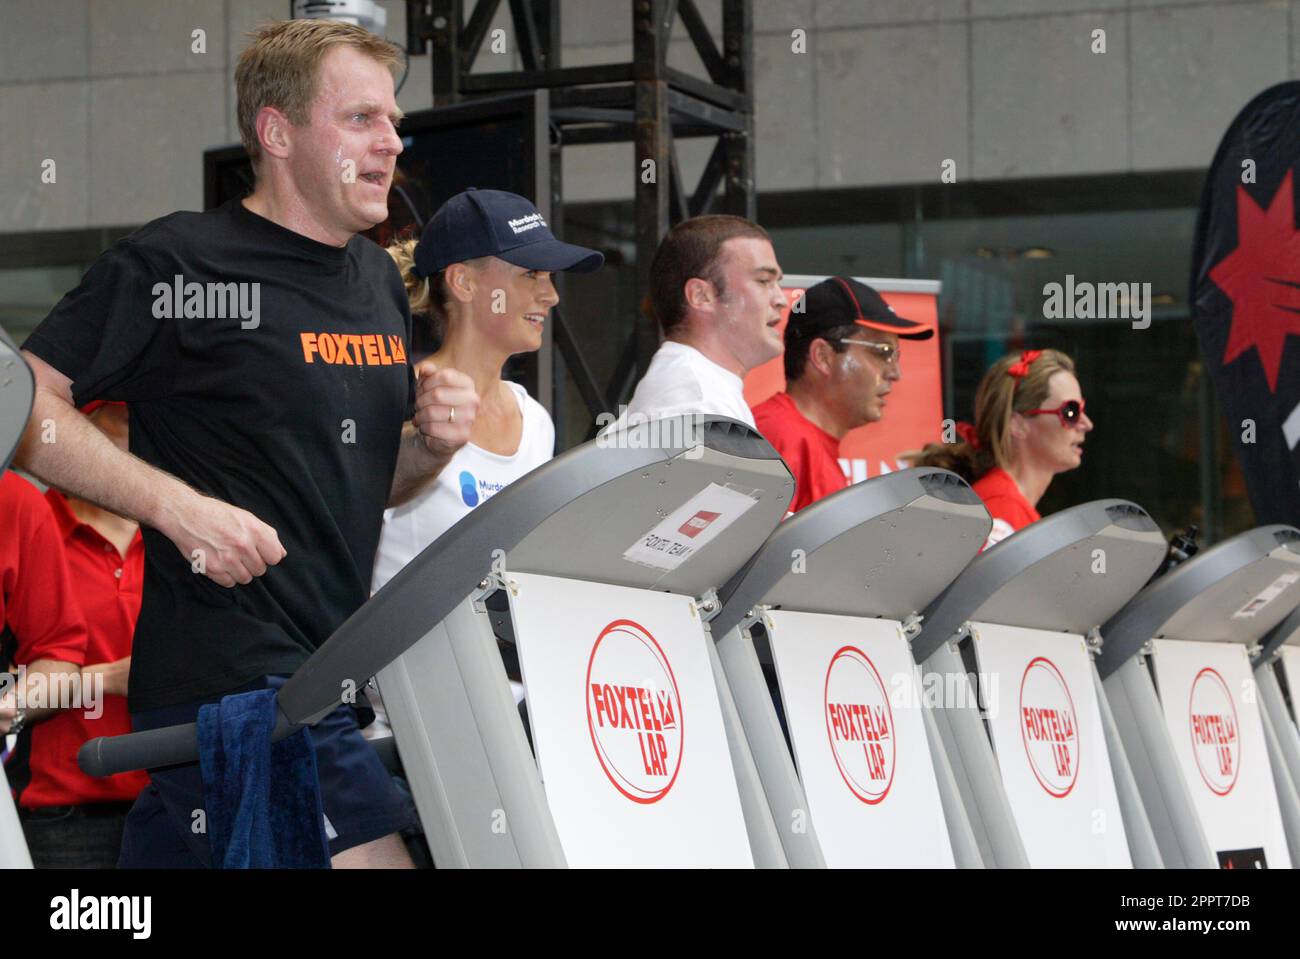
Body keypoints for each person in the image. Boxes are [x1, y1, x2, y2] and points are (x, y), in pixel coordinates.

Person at [14, 19, 479, 869]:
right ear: (277, 131)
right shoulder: (181, 265)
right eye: (363, 119)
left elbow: (351, 481)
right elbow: (19, 401)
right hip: (235, 686)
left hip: (331, 674)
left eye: (394, 121)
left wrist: (429, 449)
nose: (393, 141)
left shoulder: (377, 279)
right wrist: (177, 508)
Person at [371, 189, 603, 592]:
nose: (551, 295)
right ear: (463, 281)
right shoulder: (396, 397)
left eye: (549, 277)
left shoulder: (534, 419)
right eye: (530, 273)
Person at [9, 401, 146, 868]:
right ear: (78, 425)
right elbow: (11, 682)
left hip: (174, 800)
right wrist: (107, 679)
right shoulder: (29, 521)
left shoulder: (186, 540)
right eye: (127, 417)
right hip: (62, 809)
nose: (145, 434)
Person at [752, 277, 934, 513]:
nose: (895, 373)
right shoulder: (779, 438)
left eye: (895, 355)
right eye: (883, 352)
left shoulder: (803, 440)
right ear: (823, 356)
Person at [908, 348, 1091, 549]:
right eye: (1071, 411)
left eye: (1082, 409)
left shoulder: (1005, 505)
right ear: (1017, 423)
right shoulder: (1000, 509)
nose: (1087, 424)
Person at [624, 215, 786, 427]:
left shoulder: (700, 391)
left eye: (777, 282)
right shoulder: (698, 402)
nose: (781, 300)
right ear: (701, 296)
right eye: (764, 281)